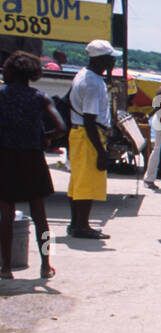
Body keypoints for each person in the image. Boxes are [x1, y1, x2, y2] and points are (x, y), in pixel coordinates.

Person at [0, 51, 64, 279]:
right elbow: (60, 127)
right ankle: (46, 264)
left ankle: (6, 267)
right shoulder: (40, 97)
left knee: (5, 214)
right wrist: (44, 137)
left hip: (5, 157)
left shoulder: (2, 94)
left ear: (12, 71)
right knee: (40, 217)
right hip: (33, 158)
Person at [65, 39, 120, 240]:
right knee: (86, 184)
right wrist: (101, 151)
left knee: (78, 183)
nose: (113, 62)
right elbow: (89, 120)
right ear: (103, 60)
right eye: (111, 59)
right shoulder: (92, 83)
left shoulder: (84, 75)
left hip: (78, 133)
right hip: (88, 135)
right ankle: (82, 226)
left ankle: (75, 224)